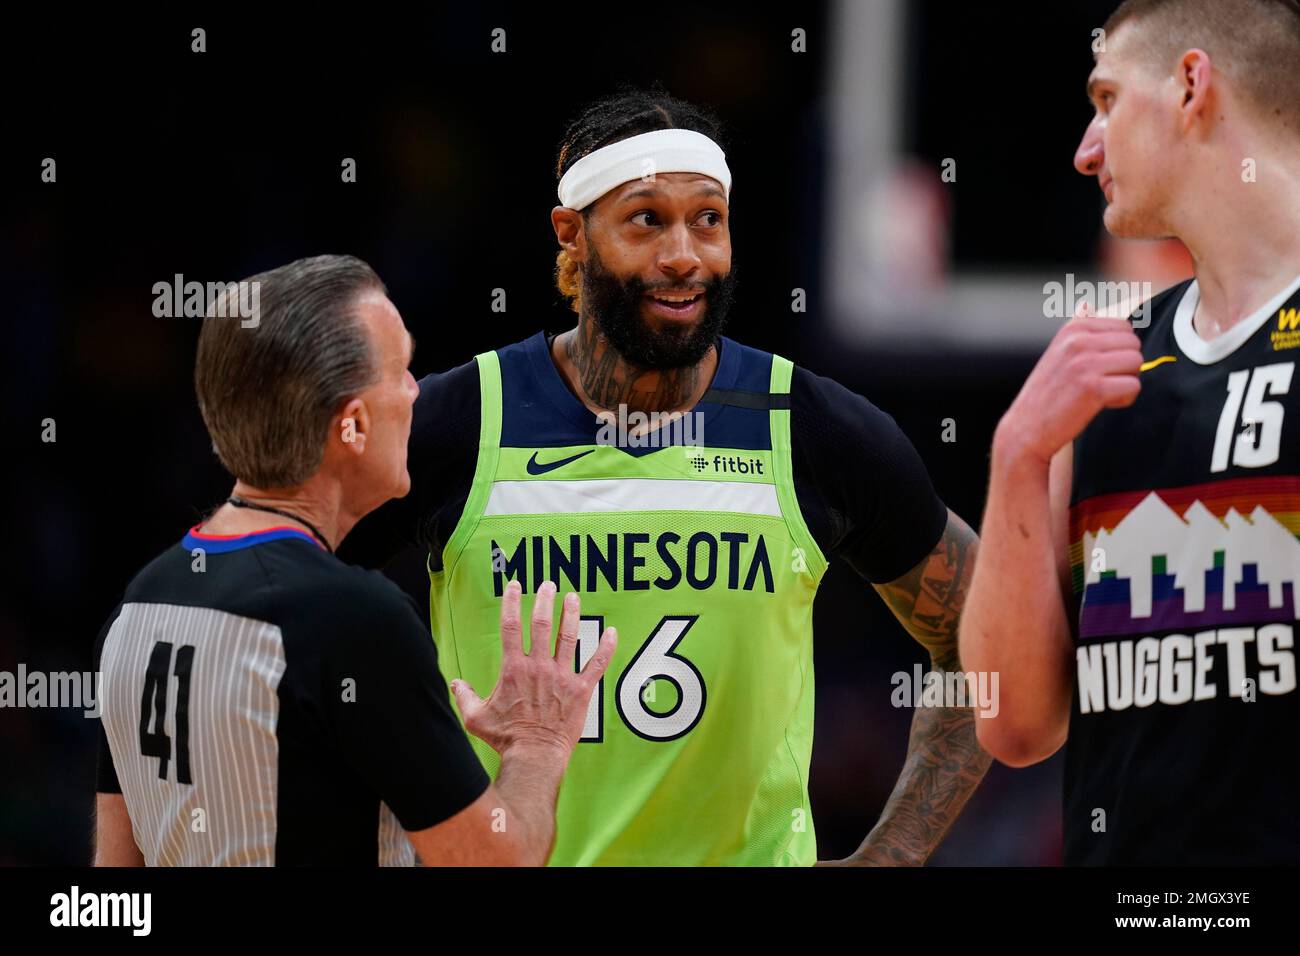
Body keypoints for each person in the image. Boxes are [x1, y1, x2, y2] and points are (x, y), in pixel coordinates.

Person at [341, 90, 990, 866]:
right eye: (647, 219)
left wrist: (892, 855)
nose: (684, 255)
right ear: (572, 237)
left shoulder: (808, 427)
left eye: (707, 220)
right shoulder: (463, 421)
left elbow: (982, 636)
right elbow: (290, 599)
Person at [92, 254, 614, 866]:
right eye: (403, 370)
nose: (418, 392)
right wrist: (537, 744)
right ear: (355, 426)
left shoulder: (139, 606)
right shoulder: (354, 621)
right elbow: (496, 861)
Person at [961, 0, 1300, 864]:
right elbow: (1014, 725)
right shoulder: (1109, 366)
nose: (1085, 148)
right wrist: (1017, 458)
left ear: (1192, 86)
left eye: (1106, 100)